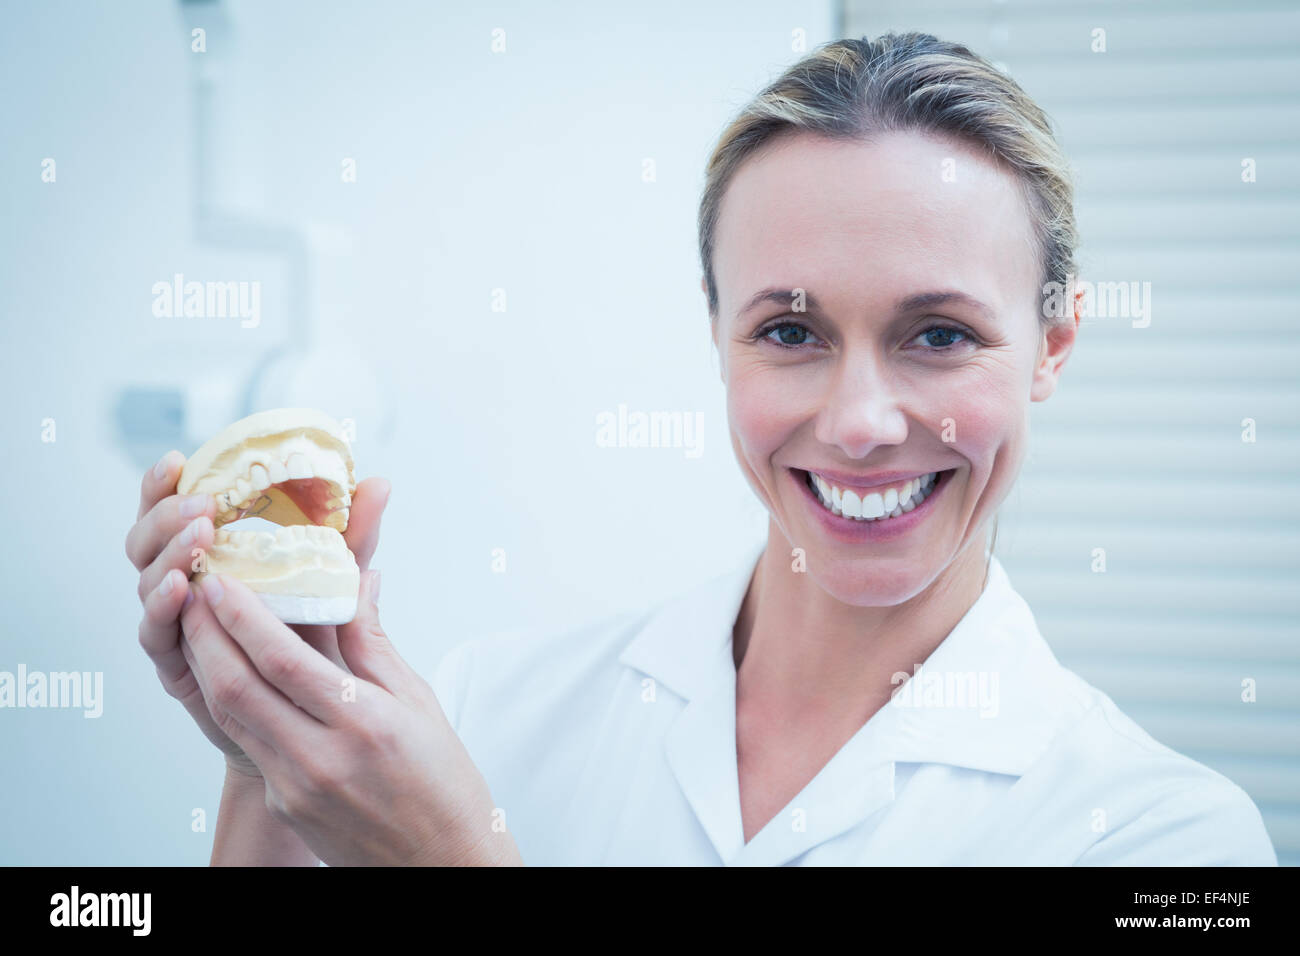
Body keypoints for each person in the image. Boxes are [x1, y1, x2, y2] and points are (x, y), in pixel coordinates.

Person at [125, 32, 1276, 866]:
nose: (863, 418)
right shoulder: (480, 710)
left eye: (939, 333)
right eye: (789, 331)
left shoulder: (1159, 836)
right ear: (718, 334)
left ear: (1052, 345)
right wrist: (265, 752)